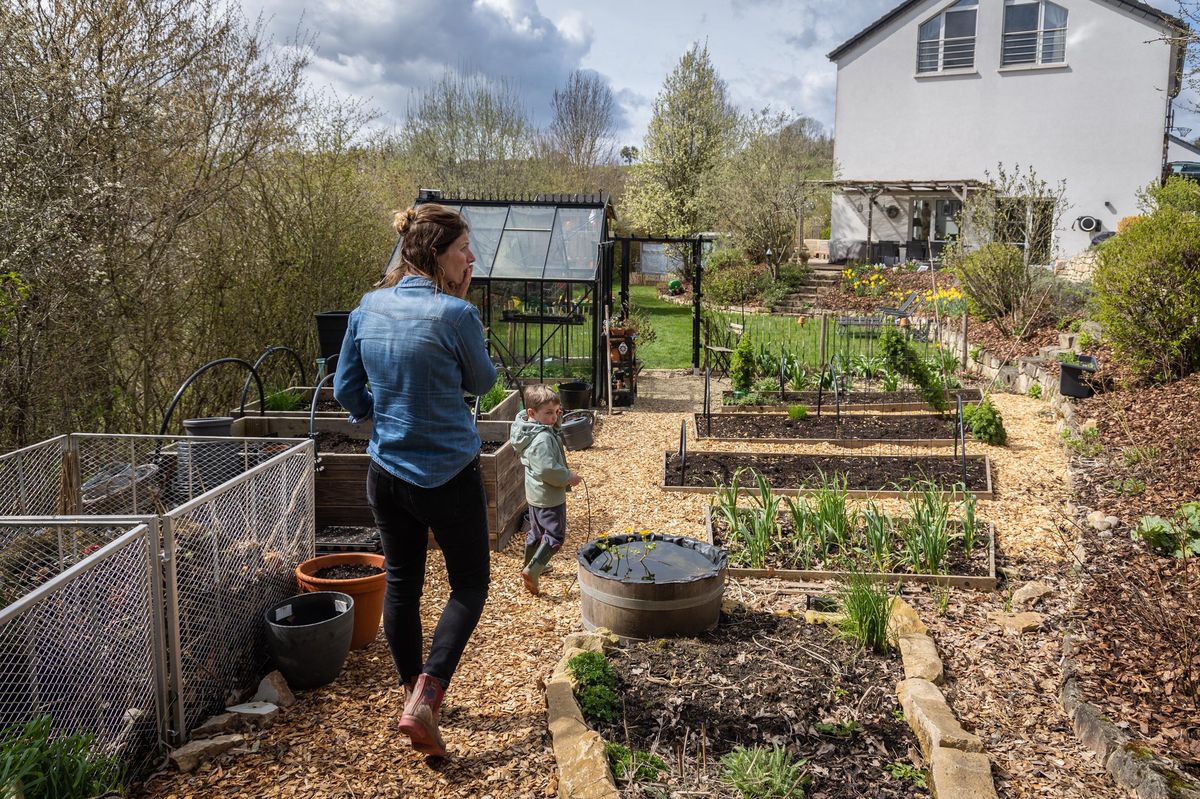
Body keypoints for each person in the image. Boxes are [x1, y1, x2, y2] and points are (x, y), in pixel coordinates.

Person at [334, 203, 496, 758]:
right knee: (470, 584)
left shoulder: (366, 307)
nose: (471, 258)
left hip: (387, 472)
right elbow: (482, 380)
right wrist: (462, 303)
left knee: (403, 585)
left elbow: (347, 394)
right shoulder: (455, 315)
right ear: (436, 254)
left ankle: (412, 697)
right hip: (448, 472)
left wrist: (386, 415)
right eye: (462, 250)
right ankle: (427, 693)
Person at [509, 385, 581, 596]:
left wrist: (553, 416)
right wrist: (569, 477)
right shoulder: (541, 439)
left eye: (556, 412)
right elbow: (547, 469)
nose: (554, 417)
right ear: (532, 413)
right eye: (548, 413)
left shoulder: (528, 429)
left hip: (535, 494)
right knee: (555, 535)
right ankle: (533, 570)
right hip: (549, 497)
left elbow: (541, 465)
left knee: (537, 532)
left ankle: (529, 565)